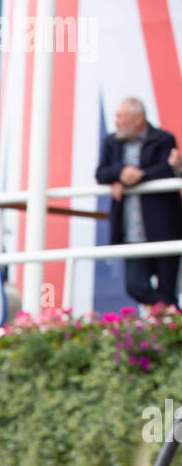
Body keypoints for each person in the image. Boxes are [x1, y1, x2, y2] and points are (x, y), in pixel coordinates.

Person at [95, 97, 182, 308]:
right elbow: (101, 172)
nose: (116, 122)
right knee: (135, 286)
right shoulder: (112, 142)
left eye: (121, 117)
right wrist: (120, 173)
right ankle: (173, 312)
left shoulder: (163, 139)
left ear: (137, 120)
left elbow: (166, 170)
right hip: (131, 232)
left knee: (167, 286)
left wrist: (134, 178)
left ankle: (169, 329)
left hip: (163, 227)